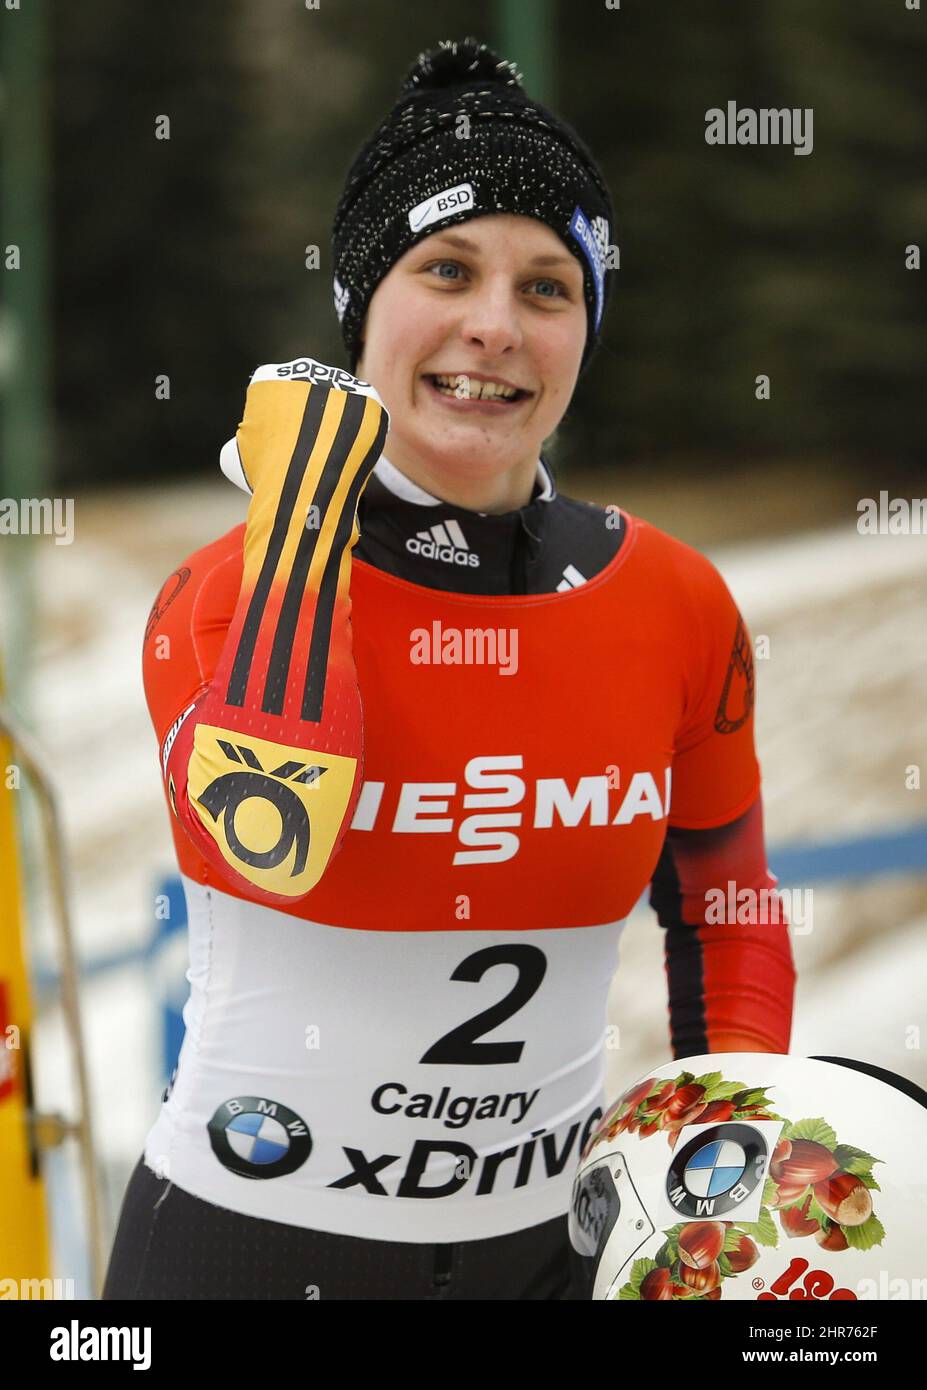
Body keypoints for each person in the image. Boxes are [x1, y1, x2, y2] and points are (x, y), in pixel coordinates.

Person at [103, 37, 795, 1301]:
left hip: (550, 1258)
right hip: (249, 1253)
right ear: (362, 305)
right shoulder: (226, 589)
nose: (496, 325)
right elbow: (265, 843)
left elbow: (728, 909)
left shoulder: (677, 602)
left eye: (548, 287)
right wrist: (302, 535)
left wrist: (723, 1167)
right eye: (447, 268)